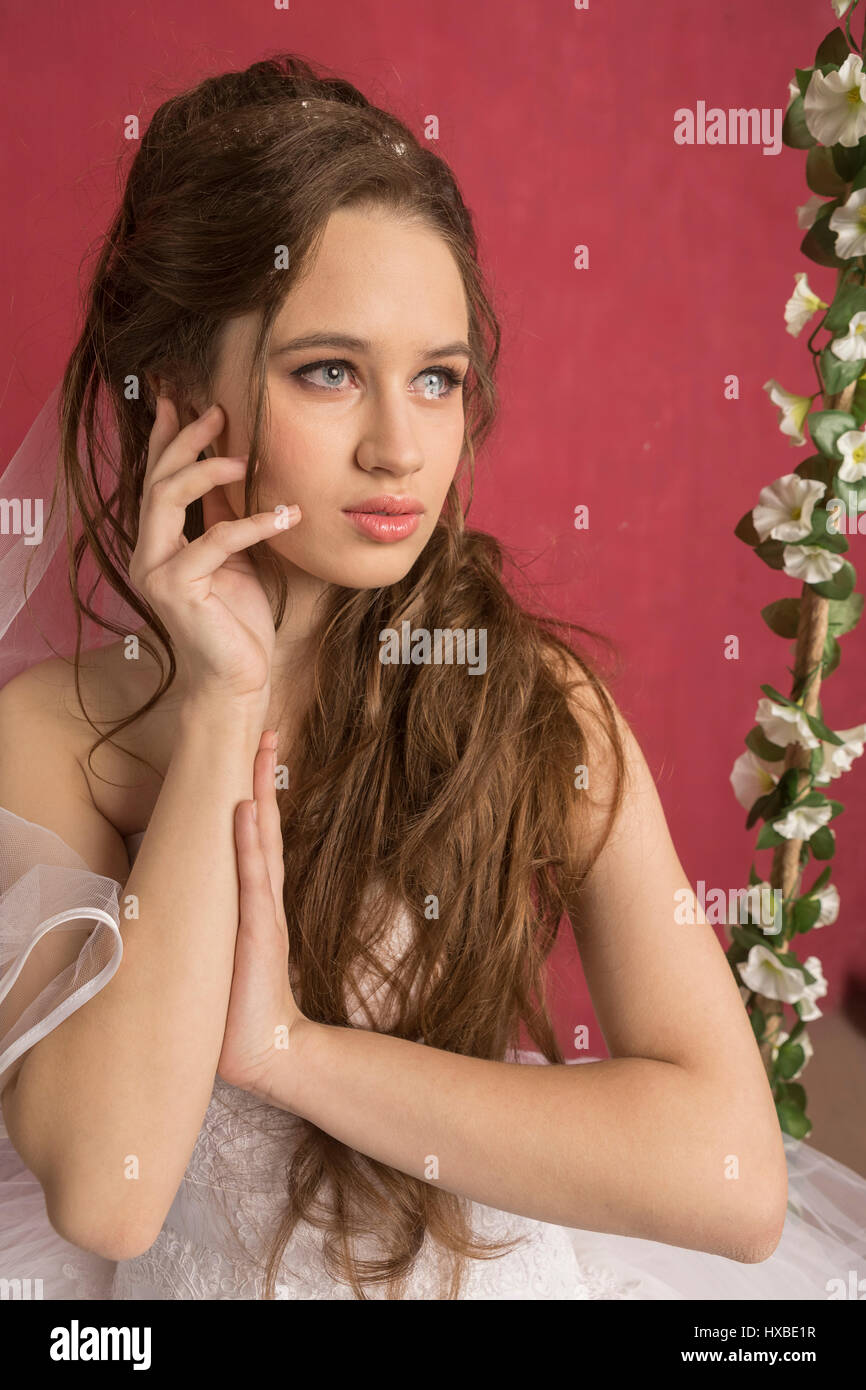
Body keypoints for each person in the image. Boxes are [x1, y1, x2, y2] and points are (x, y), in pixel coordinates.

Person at [0, 53, 864, 1302]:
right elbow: (108, 1189)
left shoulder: (527, 705)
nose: (400, 446)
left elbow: (731, 1179)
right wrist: (222, 706)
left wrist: (289, 1054)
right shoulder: (57, 736)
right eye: (328, 370)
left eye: (438, 378)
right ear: (183, 402)